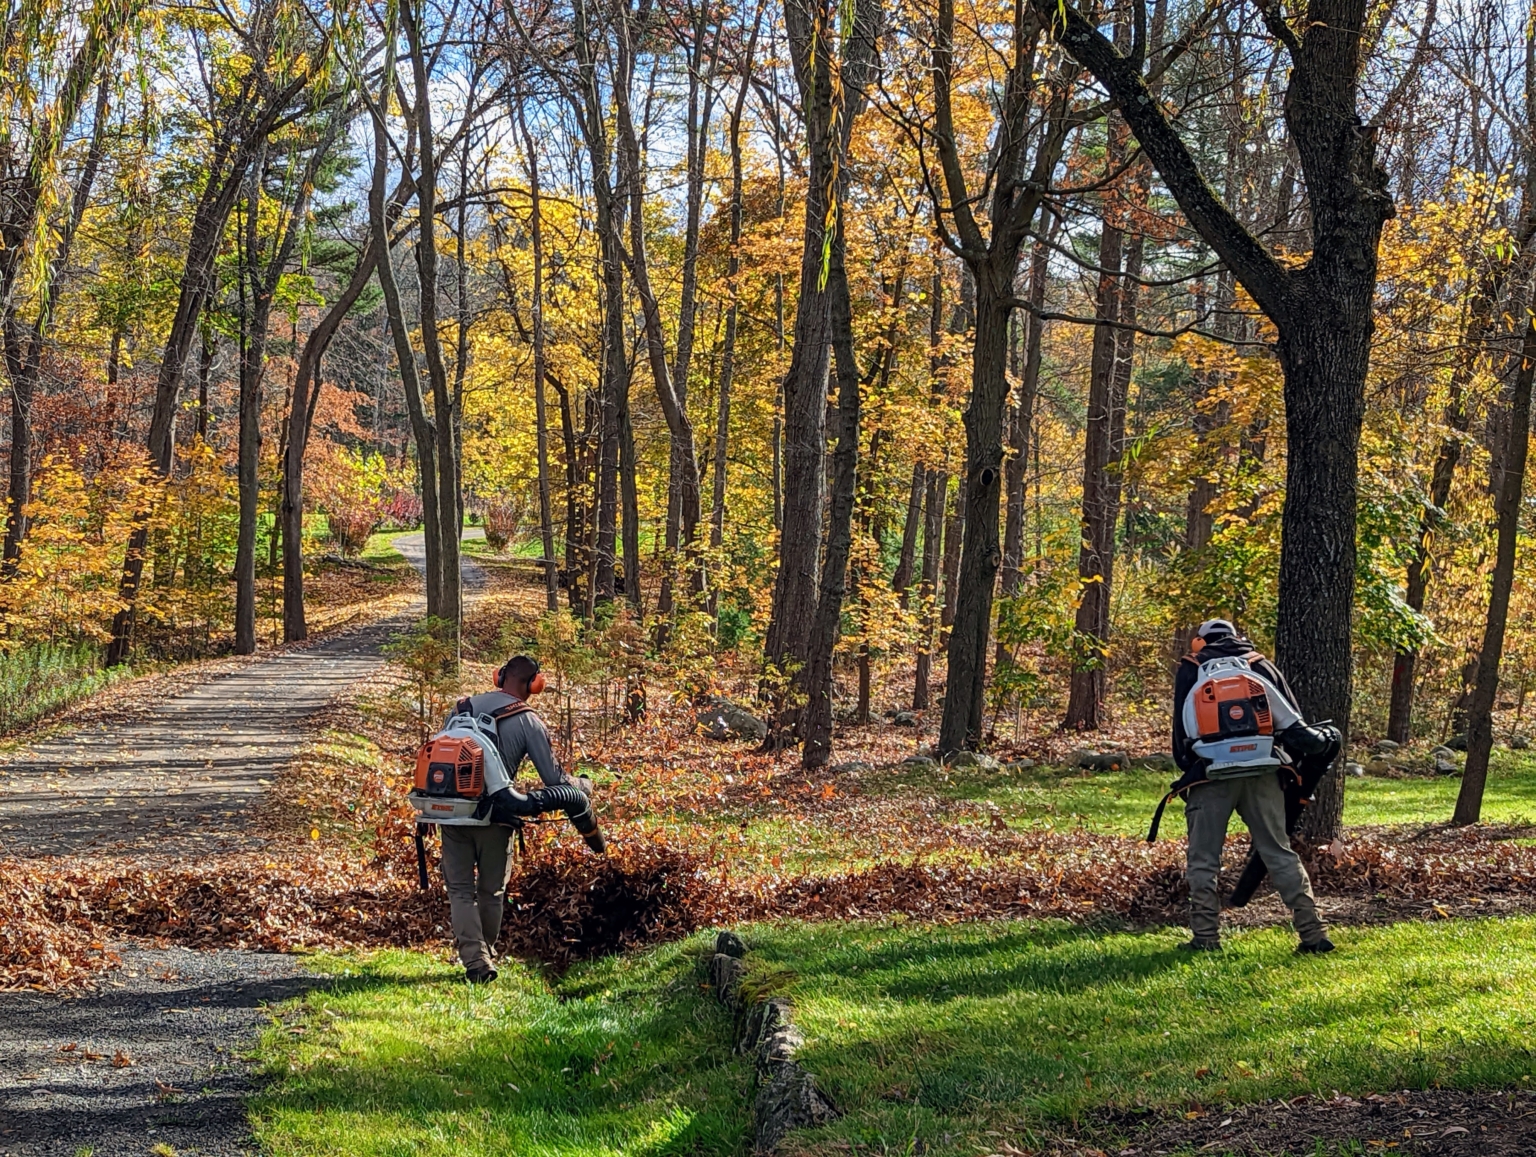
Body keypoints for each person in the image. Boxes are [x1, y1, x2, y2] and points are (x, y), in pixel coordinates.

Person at [1170, 619, 1340, 955]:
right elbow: (1294, 727)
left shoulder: (1191, 668)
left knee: (1204, 860)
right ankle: (1313, 934)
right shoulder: (1260, 665)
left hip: (1210, 776)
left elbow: (1181, 738)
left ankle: (1206, 937)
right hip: (1263, 772)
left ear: (1200, 642)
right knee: (1278, 852)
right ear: (1237, 637)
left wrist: (1192, 767)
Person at [440, 654, 588, 984]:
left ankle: (475, 959)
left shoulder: (462, 708)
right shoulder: (528, 720)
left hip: (452, 814)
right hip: (496, 817)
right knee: (491, 891)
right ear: (534, 684)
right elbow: (555, 780)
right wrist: (583, 786)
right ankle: (483, 958)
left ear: (500, 676)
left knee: (460, 892)